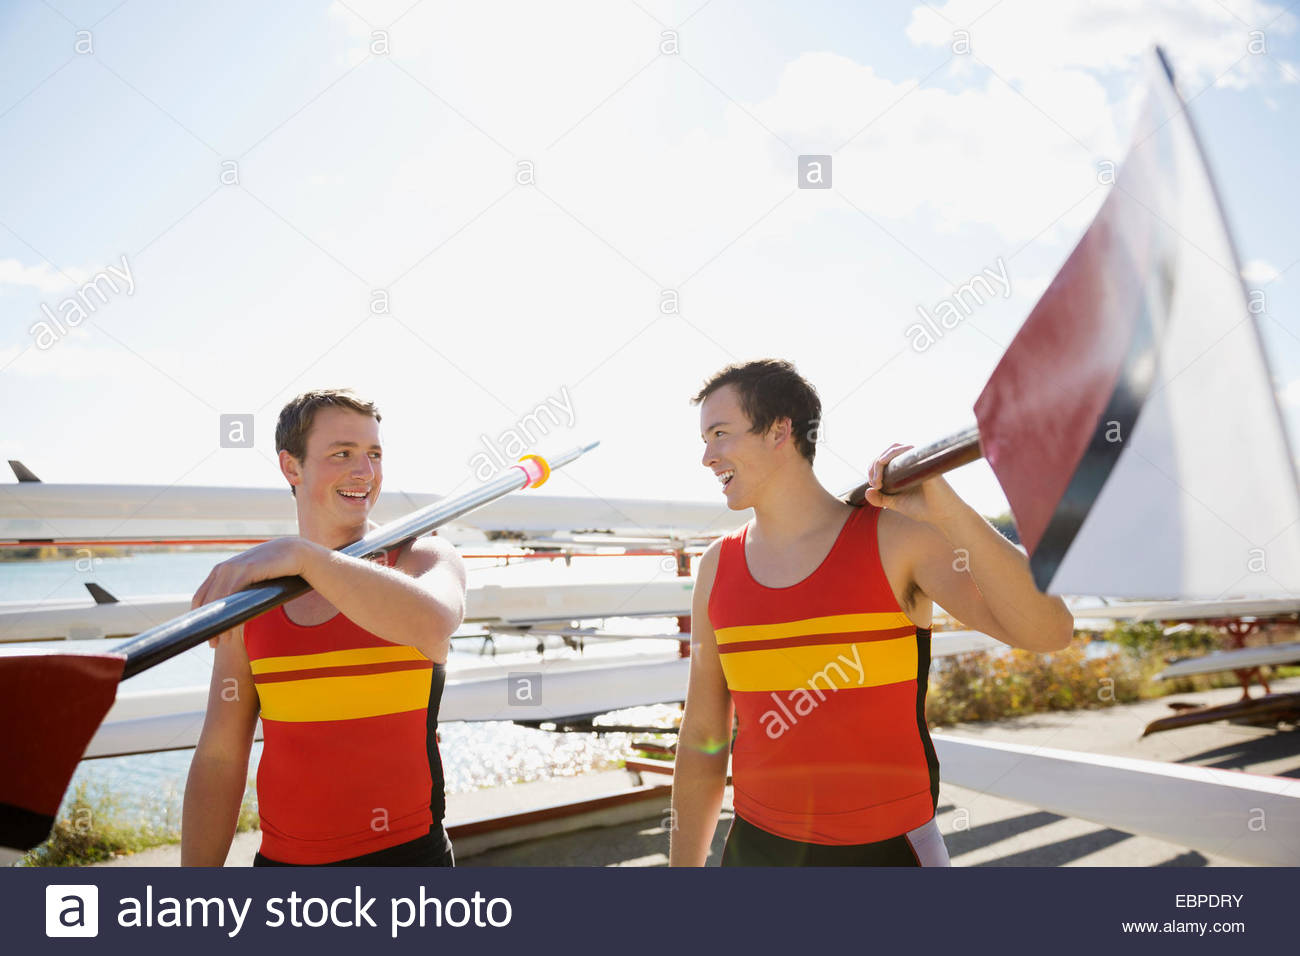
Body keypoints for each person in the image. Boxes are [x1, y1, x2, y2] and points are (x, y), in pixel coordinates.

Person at [668, 359, 1074, 866]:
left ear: (779, 431)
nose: (708, 456)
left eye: (720, 433)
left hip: (888, 853)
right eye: (705, 439)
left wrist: (949, 513)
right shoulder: (716, 567)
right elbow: (704, 734)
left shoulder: (895, 538)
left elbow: (1050, 631)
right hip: (756, 850)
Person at [180, 388, 467, 866]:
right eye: (343, 454)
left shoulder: (422, 557)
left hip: (407, 863)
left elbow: (434, 620)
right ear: (291, 467)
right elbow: (219, 756)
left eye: (373, 454)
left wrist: (303, 557)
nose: (365, 472)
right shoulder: (254, 596)